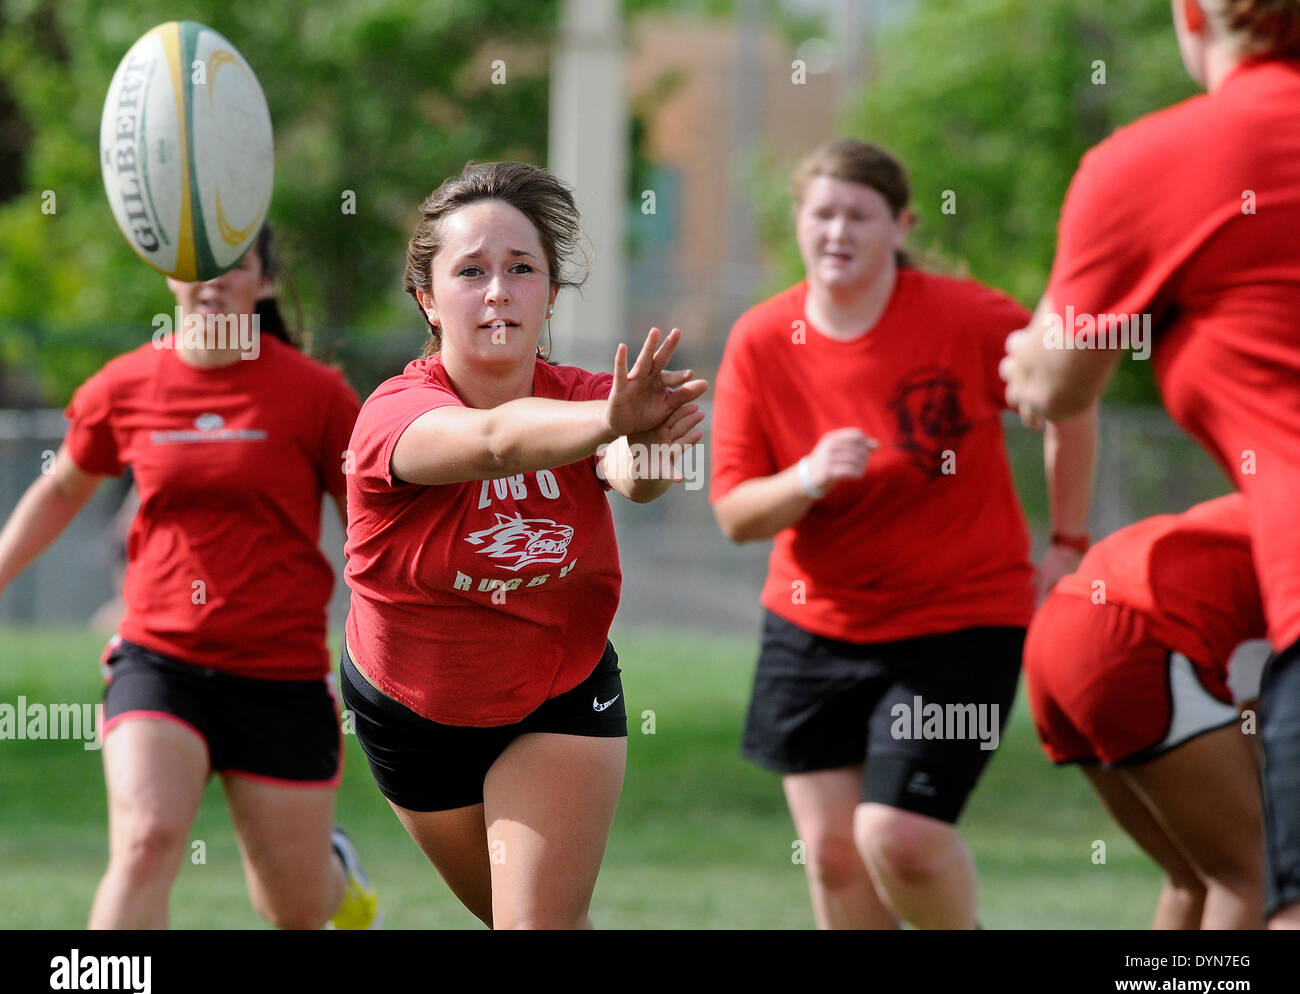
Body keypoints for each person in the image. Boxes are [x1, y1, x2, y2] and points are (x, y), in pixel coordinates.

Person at [708, 138, 1098, 930]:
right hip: (813, 626)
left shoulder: (968, 316)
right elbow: (736, 513)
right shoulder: (760, 339)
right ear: (799, 221)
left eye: (860, 215)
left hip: (959, 619)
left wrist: (1068, 538)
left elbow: (1073, 398)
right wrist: (810, 476)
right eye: (822, 213)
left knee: (900, 836)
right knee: (834, 857)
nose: (838, 231)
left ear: (902, 224)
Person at [339, 160, 707, 930]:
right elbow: (495, 443)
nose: (498, 289)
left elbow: (630, 475)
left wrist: (648, 449)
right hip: (412, 710)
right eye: (470, 270)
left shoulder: (582, 399)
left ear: (549, 294)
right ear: (428, 300)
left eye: (522, 269)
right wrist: (614, 419)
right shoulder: (395, 411)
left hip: (558, 692)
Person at [1000, 0, 1300, 928]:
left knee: (1241, 891)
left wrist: (1026, 357)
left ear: (1192, 15)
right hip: (1117, 633)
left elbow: (1054, 379)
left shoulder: (1156, 160)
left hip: (1092, 632)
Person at [0, 226, 378, 930]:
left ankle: (338, 874)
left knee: (293, 906)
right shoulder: (126, 385)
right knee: (144, 842)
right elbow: (60, 491)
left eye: (233, 266)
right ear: (169, 277)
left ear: (264, 283)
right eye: (195, 267)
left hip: (279, 672)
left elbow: (369, 514)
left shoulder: (315, 395)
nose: (211, 281)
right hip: (159, 659)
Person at [1025, 494, 1267, 928]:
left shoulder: (1272, 491)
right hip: (1132, 635)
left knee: (1193, 876)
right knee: (1253, 873)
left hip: (1062, 626)